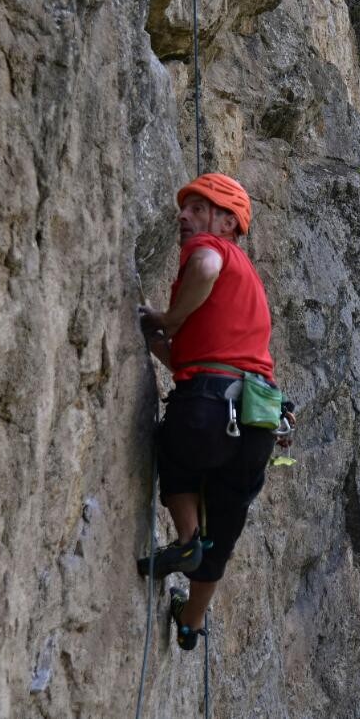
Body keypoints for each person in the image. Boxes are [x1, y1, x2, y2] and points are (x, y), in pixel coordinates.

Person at [136, 173, 286, 651]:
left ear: (227, 222)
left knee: (173, 451)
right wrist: (162, 344)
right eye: (186, 209)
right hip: (256, 421)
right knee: (225, 526)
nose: (185, 217)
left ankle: (184, 538)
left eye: (199, 209)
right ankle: (191, 623)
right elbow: (203, 357)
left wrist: (167, 319)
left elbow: (200, 268)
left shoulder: (211, 249)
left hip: (205, 407)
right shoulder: (251, 288)